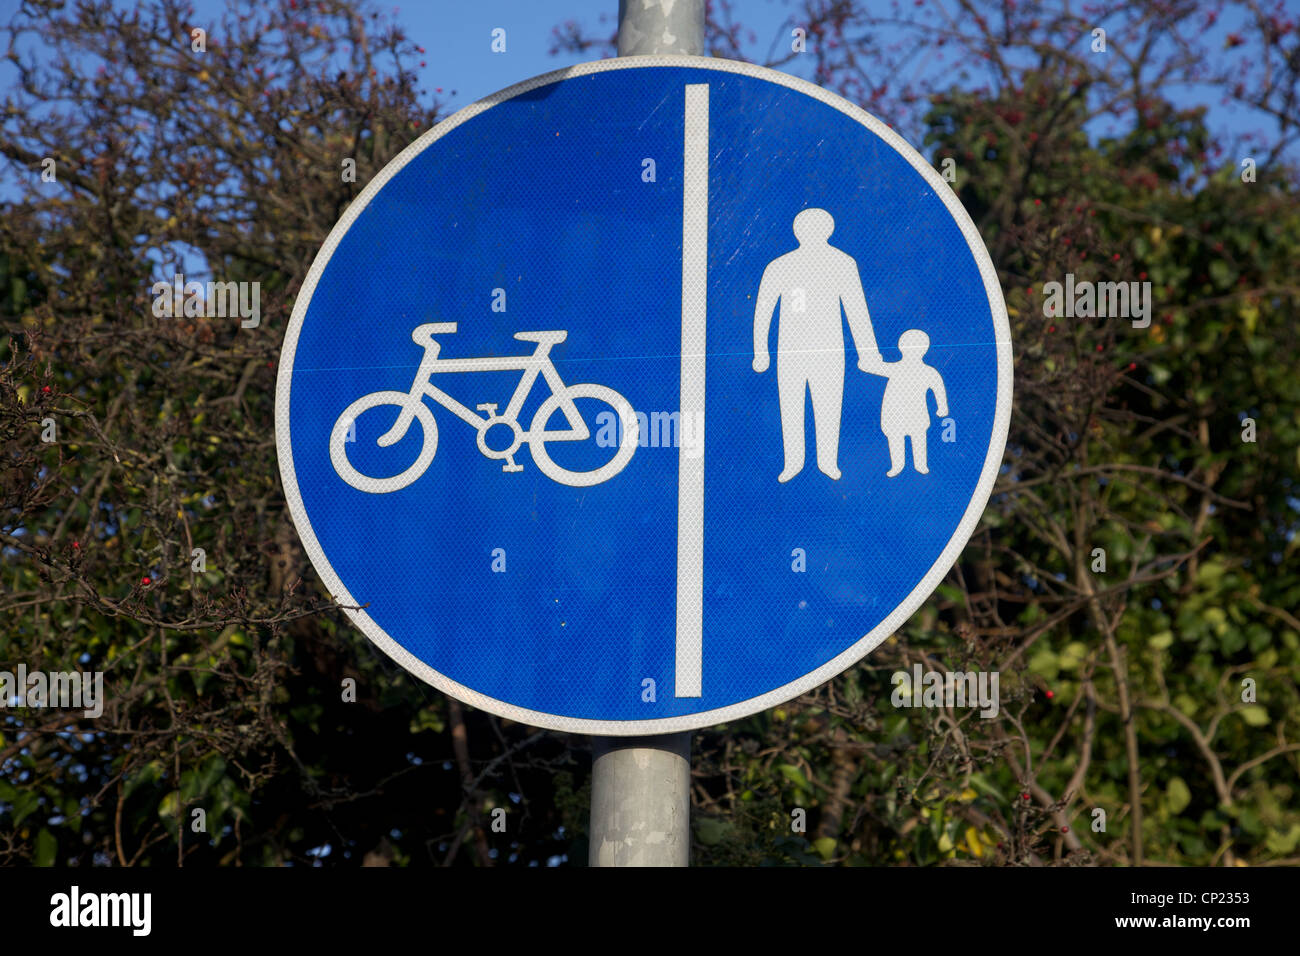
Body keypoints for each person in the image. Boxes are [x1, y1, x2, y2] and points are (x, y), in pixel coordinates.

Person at [752, 208, 882, 482]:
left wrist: (868, 354)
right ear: (798, 231)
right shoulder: (780, 265)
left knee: (829, 405)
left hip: (830, 350)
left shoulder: (842, 263)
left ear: (828, 230)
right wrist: (760, 352)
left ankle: (827, 462)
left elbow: (856, 310)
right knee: (791, 406)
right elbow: (763, 309)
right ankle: (793, 463)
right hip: (790, 351)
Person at [877, 329, 948, 476]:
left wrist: (942, 408)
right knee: (895, 437)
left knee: (918, 437)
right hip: (894, 413)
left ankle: (920, 465)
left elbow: (938, 388)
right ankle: (897, 465)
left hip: (917, 414)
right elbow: (875, 367)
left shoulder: (928, 371)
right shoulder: (895, 368)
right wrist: (867, 362)